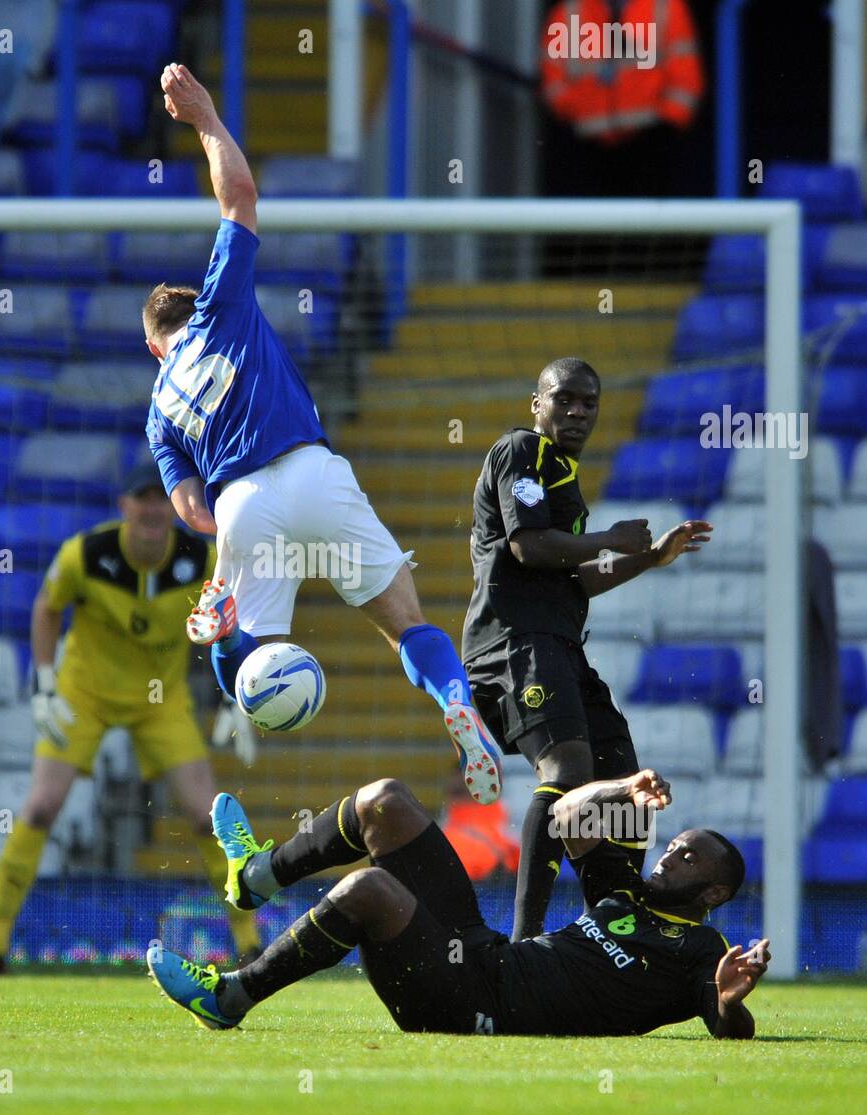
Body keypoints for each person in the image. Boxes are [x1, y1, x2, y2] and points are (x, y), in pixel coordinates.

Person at [142, 62, 503, 804]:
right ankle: (455, 706)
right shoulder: (221, 308)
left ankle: (232, 659)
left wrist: (224, 554)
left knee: (244, 645)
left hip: (240, 503)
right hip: (310, 472)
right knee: (405, 622)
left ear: (154, 347)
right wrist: (206, 117)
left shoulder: (157, 411)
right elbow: (239, 196)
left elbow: (187, 507)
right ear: (192, 310)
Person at [148, 770, 768, 1039]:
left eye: (690, 859)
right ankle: (257, 875)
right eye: (677, 844)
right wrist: (621, 790)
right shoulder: (627, 892)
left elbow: (725, 1027)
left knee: (371, 890)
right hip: (484, 955)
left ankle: (232, 996)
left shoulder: (701, 952)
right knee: (385, 802)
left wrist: (728, 1003)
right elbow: (559, 820)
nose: (670, 856)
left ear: (714, 894)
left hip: (482, 1005)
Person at [0, 464, 260, 974]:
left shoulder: (202, 560)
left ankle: (252, 947)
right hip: (86, 693)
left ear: (172, 510)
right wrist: (43, 683)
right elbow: (45, 609)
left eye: (159, 501)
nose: (151, 510)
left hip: (162, 700)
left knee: (206, 818)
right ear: (124, 506)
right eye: (140, 500)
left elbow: (234, 622)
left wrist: (235, 697)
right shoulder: (86, 553)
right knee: (40, 809)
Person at [463, 357, 712, 940]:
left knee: (620, 772)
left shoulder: (564, 479)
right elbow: (527, 547)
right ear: (537, 403)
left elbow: (578, 577)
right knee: (568, 768)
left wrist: (651, 557)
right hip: (513, 640)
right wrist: (609, 538)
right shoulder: (521, 451)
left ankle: (616, 924)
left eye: (588, 403)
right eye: (564, 398)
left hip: (559, 644)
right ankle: (523, 942)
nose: (577, 411)